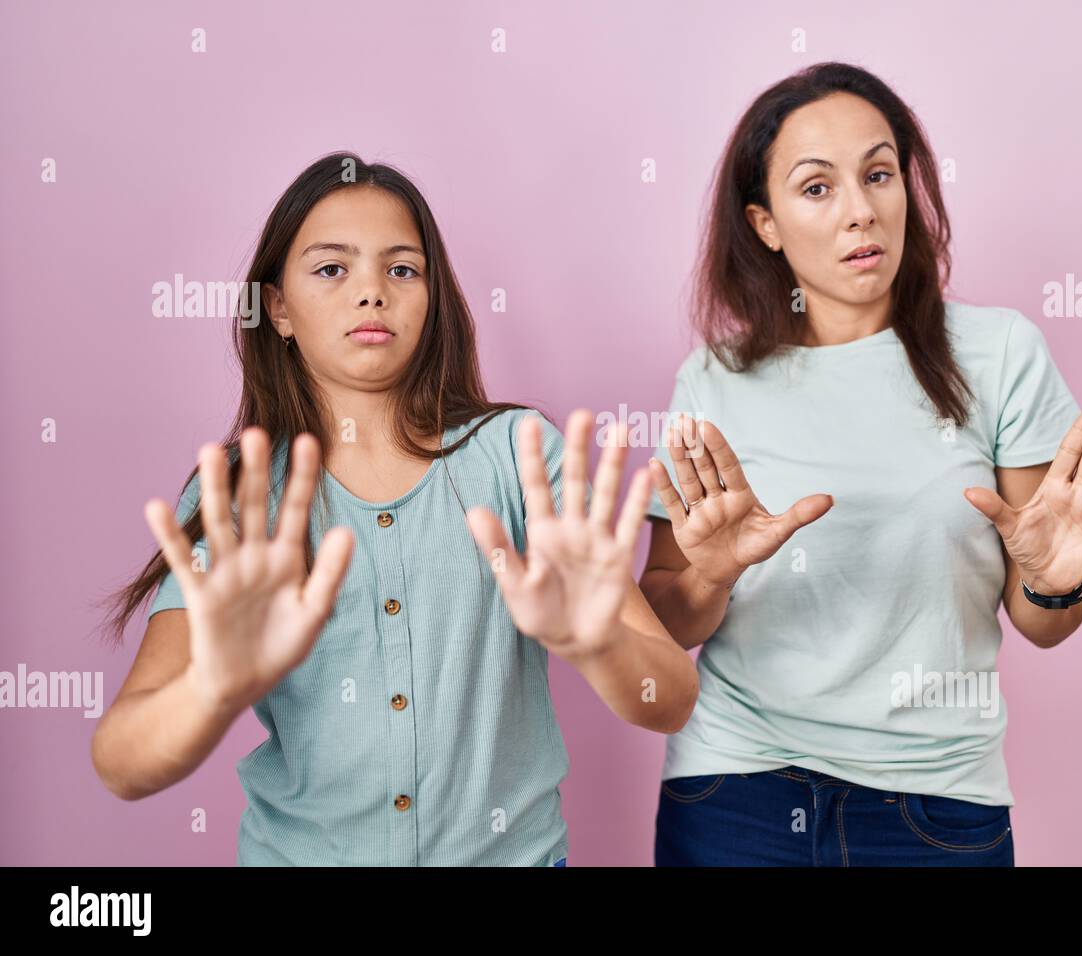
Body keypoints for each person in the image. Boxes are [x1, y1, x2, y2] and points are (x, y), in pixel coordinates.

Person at [94, 152, 699, 866]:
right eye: (332, 269)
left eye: (402, 269)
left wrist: (600, 644)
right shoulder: (240, 493)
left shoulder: (519, 456)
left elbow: (670, 697)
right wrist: (212, 688)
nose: (372, 292)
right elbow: (123, 763)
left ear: (432, 297)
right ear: (277, 308)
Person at [639, 62, 1082, 866]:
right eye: (817, 189)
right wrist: (710, 577)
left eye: (879, 174)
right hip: (735, 794)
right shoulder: (712, 382)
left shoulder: (998, 354)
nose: (861, 211)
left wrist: (1052, 580)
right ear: (765, 223)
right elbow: (669, 621)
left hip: (937, 804)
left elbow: (1045, 625)